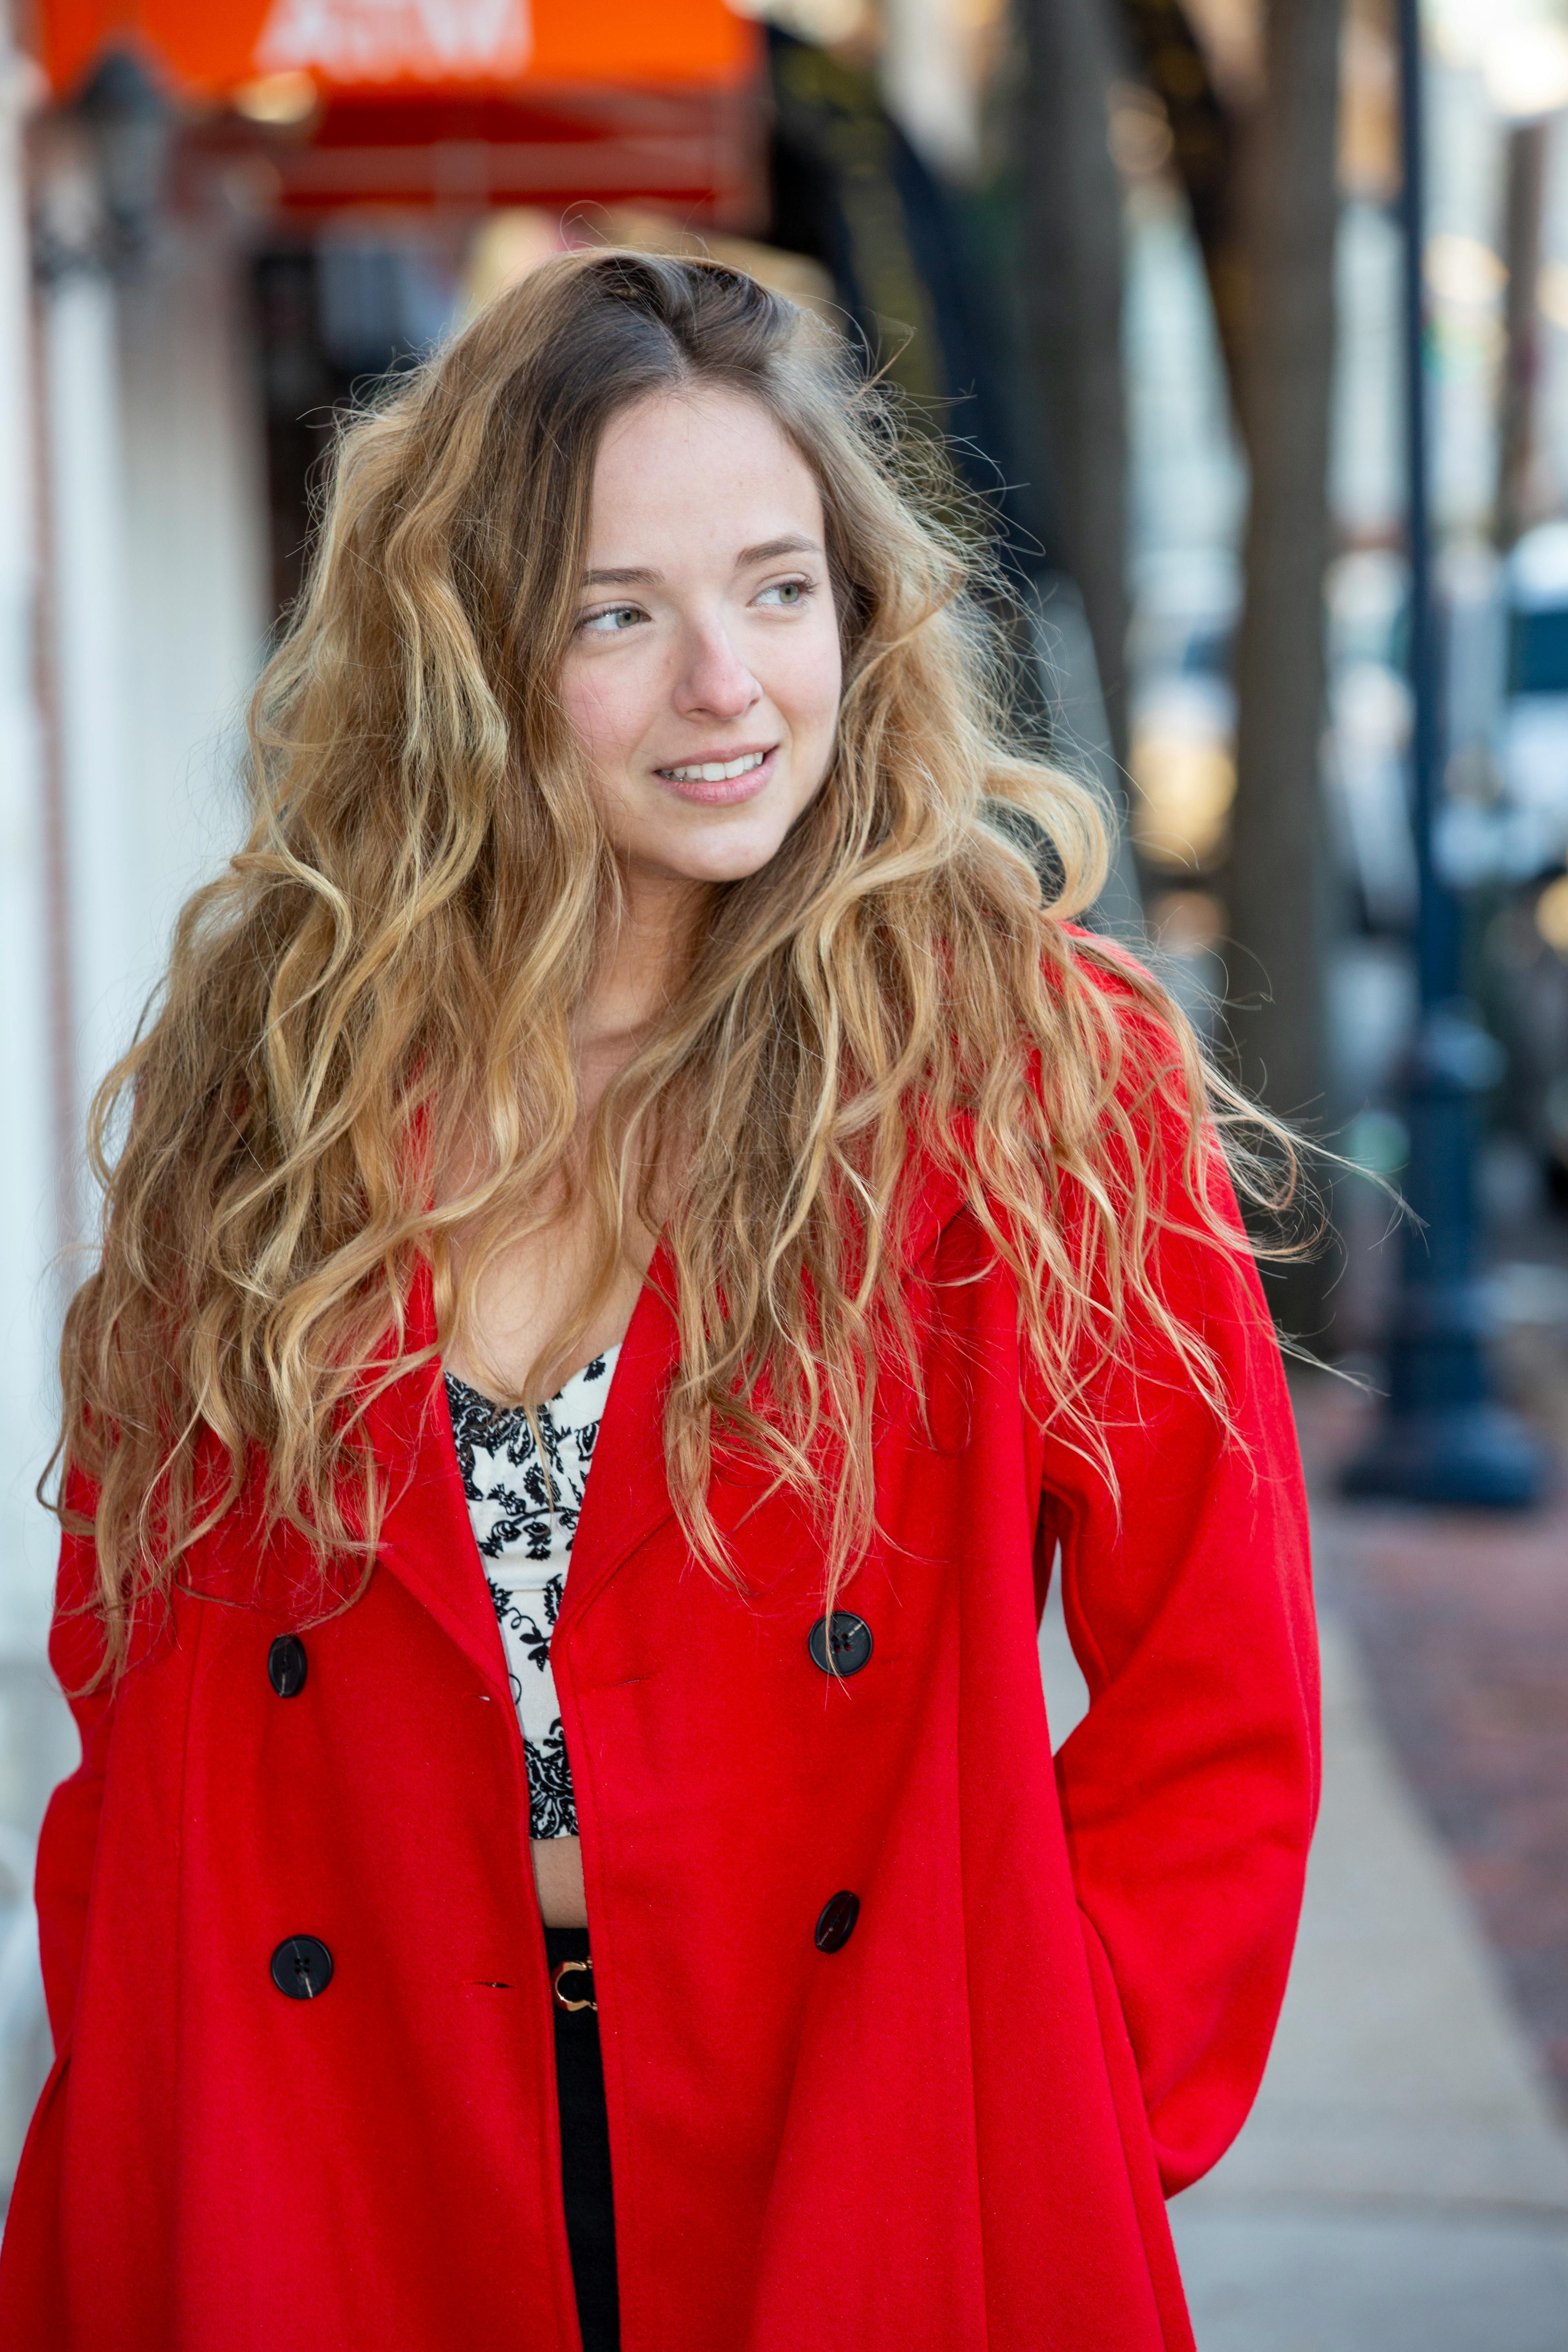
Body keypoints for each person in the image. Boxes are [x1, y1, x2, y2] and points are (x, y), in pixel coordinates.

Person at [0, 251, 1317, 2352]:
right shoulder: (287, 1075)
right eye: (620, 611)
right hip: (344, 2152)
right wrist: (147, 2065)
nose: (731, 683)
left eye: (779, 587)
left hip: (865, 2145)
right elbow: (132, 1639)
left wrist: (1055, 2092)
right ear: (474, 655)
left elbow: (1216, 1691)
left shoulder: (1027, 1070)